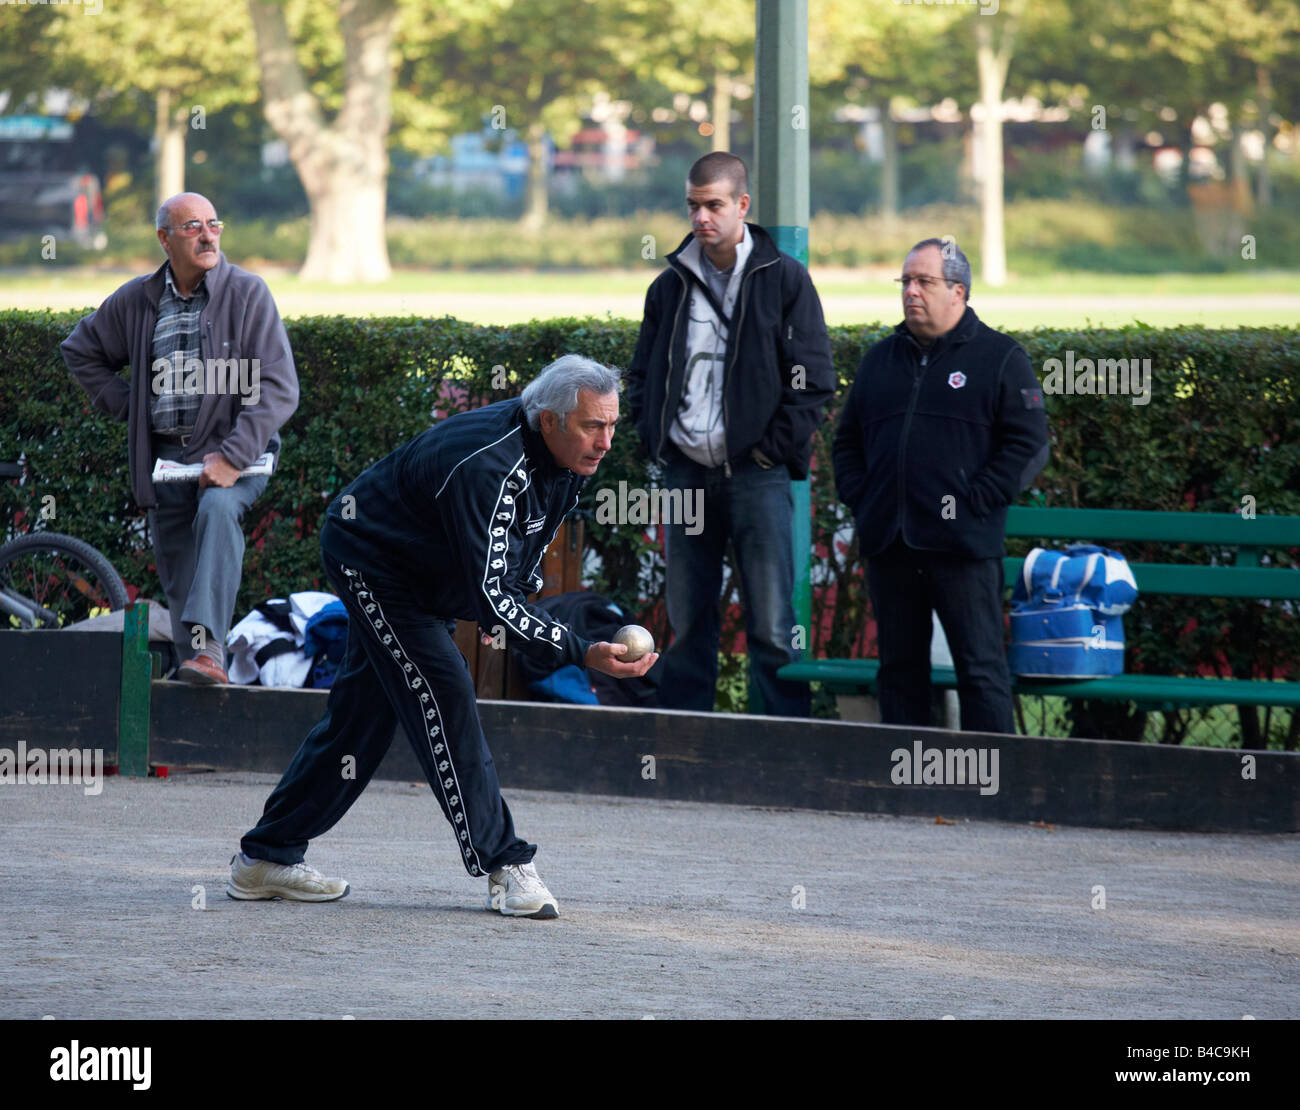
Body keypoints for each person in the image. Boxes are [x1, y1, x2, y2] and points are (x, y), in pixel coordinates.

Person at [228, 356, 657, 919]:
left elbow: (519, 565)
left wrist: (549, 625)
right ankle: (505, 863)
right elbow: (492, 601)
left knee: (361, 721)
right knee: (446, 689)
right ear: (549, 421)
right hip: (372, 563)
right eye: (591, 426)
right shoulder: (489, 466)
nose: (605, 442)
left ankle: (266, 856)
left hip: (425, 577)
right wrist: (580, 650)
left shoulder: (565, 462)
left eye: (612, 425)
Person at [626, 152, 834, 717]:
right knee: (688, 618)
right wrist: (657, 439)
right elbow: (642, 374)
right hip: (686, 472)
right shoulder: (668, 287)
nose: (701, 217)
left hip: (757, 477)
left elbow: (813, 381)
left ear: (742, 205)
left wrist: (767, 452)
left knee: (771, 624)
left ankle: (783, 744)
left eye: (713, 205)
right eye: (693, 205)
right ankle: (688, 739)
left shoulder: (786, 280)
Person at [62, 192, 298, 685]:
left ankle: (209, 655)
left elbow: (279, 388)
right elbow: (80, 350)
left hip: (241, 453)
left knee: (216, 508)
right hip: (167, 459)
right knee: (179, 576)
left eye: (214, 224)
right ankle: (202, 673)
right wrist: (134, 409)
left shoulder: (248, 293)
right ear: (164, 239)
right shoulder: (138, 299)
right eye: (192, 227)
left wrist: (232, 457)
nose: (208, 235)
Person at [832, 238, 1049, 734]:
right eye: (905, 281)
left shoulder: (999, 357)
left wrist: (973, 502)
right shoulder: (879, 359)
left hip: (962, 545)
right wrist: (865, 499)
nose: (911, 291)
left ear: (959, 291)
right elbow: (846, 444)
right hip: (891, 542)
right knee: (899, 671)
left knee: (980, 670)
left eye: (923, 281)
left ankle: (991, 787)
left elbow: (1029, 445)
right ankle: (907, 786)